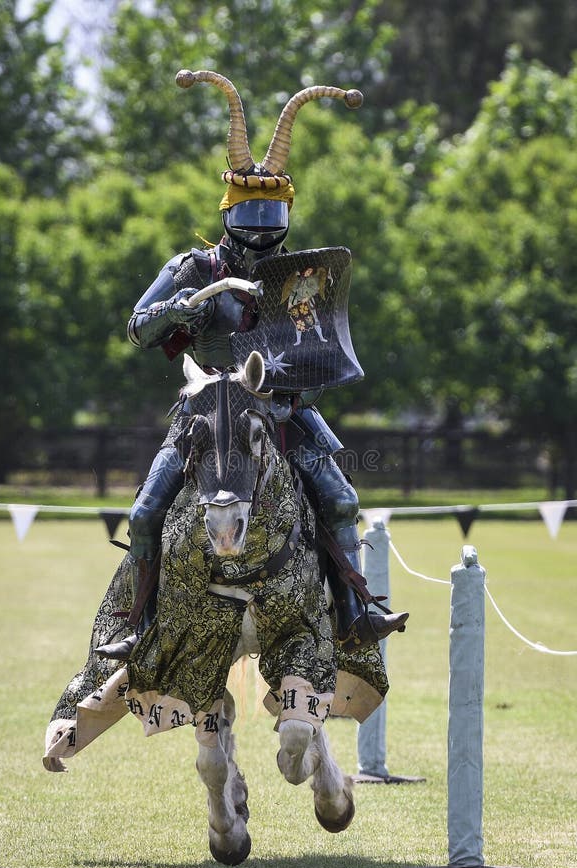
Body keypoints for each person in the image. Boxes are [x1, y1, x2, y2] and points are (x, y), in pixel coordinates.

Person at [96, 70, 408, 660]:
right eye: (250, 214)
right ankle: (138, 625)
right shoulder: (193, 267)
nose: (261, 229)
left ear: (286, 213)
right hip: (206, 416)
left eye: (272, 215)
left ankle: (355, 614)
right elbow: (138, 328)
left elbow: (317, 343)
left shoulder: (301, 275)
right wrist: (180, 305)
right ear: (227, 211)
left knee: (341, 500)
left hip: (282, 411)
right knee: (143, 512)